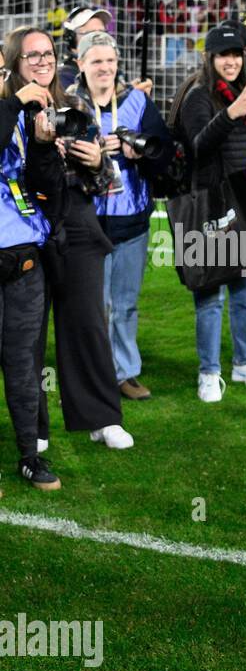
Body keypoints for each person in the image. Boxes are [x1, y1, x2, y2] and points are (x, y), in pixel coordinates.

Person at [12, 28, 135, 456]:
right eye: (33, 56)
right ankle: (35, 425)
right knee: (27, 336)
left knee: (87, 325)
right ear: (15, 62)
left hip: (78, 227)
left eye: (48, 53)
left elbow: (109, 184)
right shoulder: (8, 111)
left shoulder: (75, 105)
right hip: (26, 233)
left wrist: (100, 162)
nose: (44, 61)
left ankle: (102, 418)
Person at [172, 20, 246, 402]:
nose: (231, 61)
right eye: (224, 54)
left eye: (237, 54)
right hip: (207, 205)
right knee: (209, 296)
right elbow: (198, 145)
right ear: (211, 57)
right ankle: (208, 372)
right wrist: (231, 112)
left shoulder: (245, 91)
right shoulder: (199, 95)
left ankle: (244, 364)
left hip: (242, 203)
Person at [75, 31, 171, 403]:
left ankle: (125, 371)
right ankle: (92, 372)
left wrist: (139, 153)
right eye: (97, 61)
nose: (105, 68)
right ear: (81, 64)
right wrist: (91, 151)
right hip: (86, 220)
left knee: (125, 302)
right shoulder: (69, 103)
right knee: (94, 305)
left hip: (131, 219)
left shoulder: (137, 100)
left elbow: (166, 153)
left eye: (111, 61)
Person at [0, 34, 65, 491]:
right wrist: (15, 103)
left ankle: (30, 454)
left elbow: (46, 190)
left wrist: (43, 147)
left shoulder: (28, 112)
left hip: (24, 255)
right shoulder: (12, 106)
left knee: (25, 365)